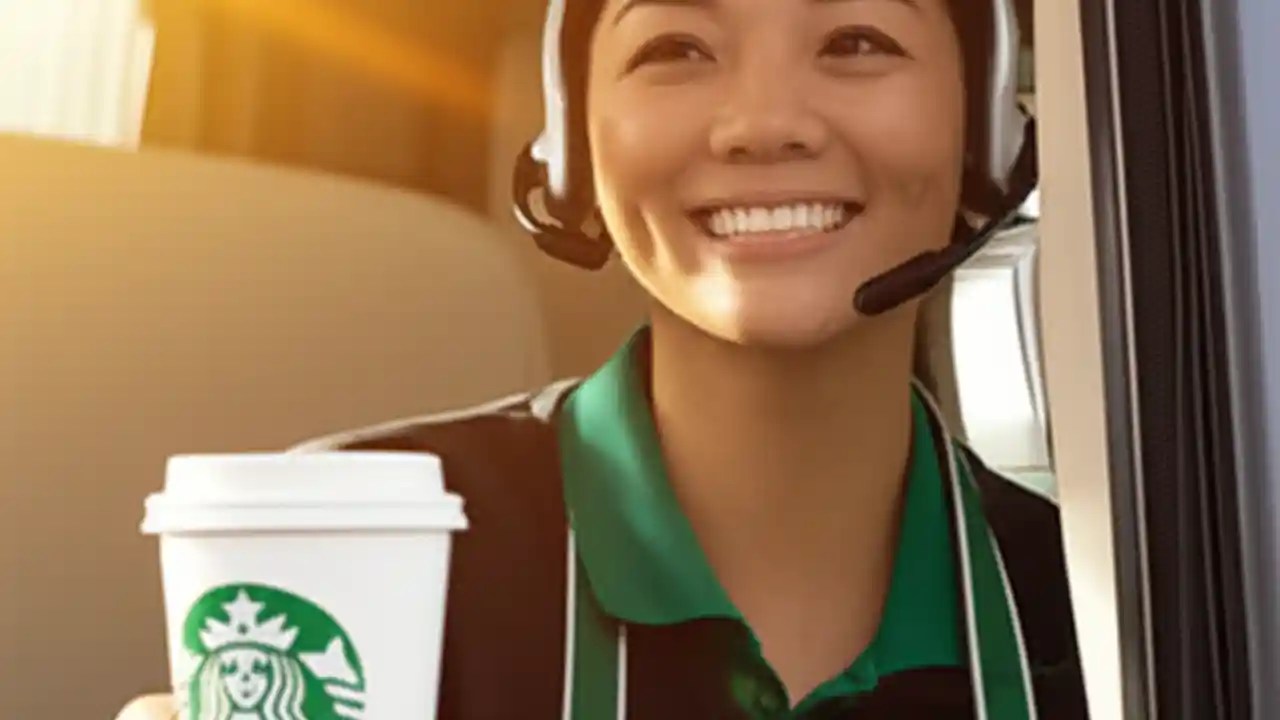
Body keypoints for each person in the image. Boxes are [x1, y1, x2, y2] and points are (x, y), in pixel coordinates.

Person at [118, 0, 1087, 717]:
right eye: (675, 48)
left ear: (990, 132)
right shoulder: (355, 549)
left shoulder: (1110, 605)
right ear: (569, 144)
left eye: (856, 42)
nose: (761, 123)